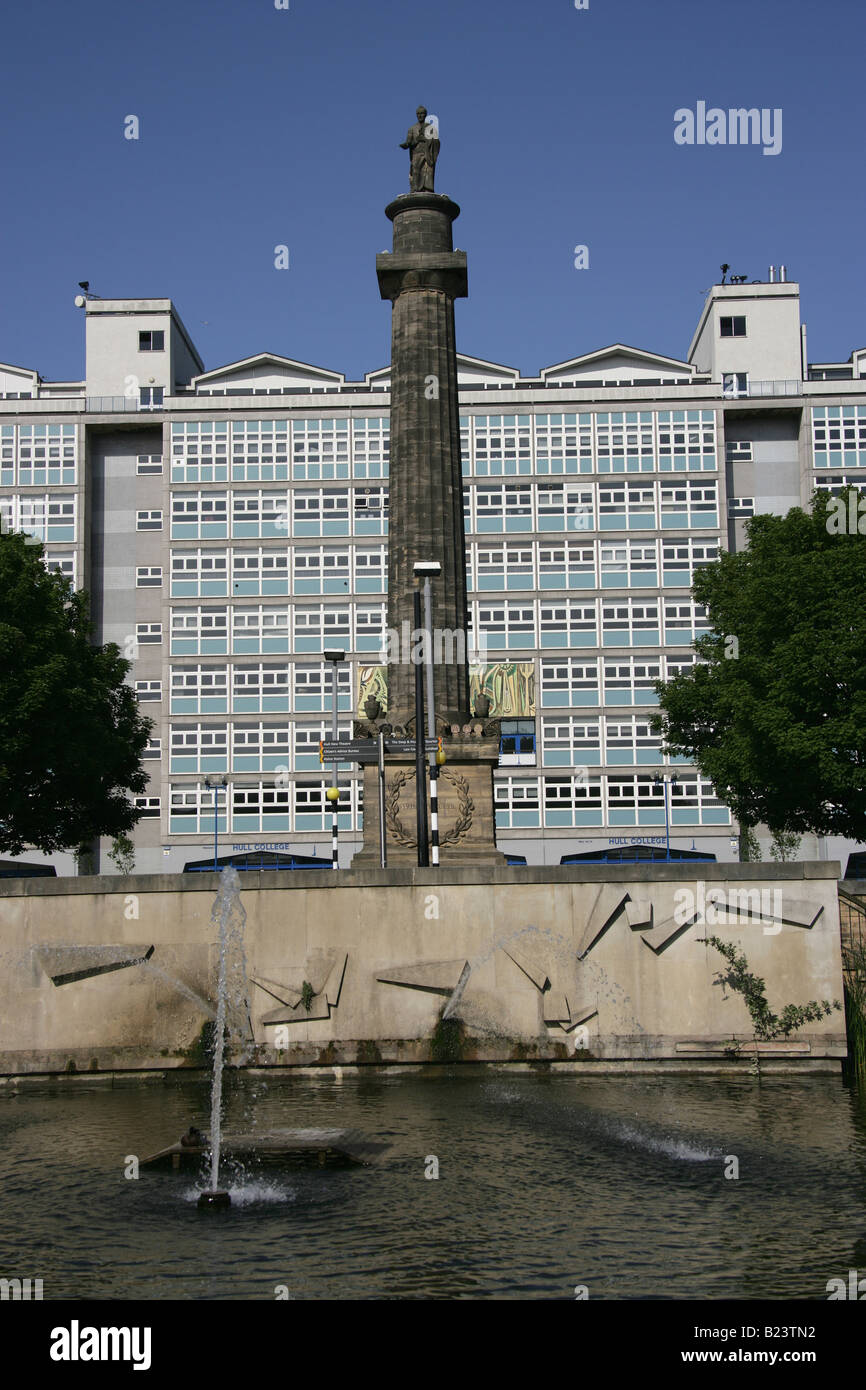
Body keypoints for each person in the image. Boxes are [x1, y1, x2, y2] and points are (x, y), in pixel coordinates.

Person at [400, 106, 439, 192]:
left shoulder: (430, 128)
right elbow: (408, 142)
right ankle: (415, 189)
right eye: (418, 114)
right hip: (416, 153)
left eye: (422, 113)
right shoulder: (412, 129)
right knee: (416, 170)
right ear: (416, 115)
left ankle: (428, 188)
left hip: (427, 153)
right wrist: (409, 143)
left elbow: (436, 141)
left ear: (425, 115)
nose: (420, 115)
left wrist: (427, 140)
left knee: (428, 170)